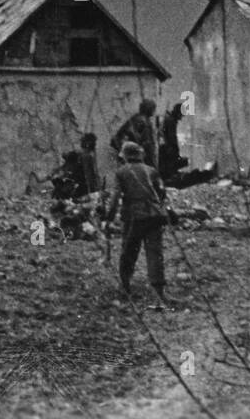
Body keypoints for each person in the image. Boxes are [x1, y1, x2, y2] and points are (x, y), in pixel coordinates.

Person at [102, 141, 169, 305]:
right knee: (155, 253)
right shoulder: (152, 171)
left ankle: (125, 288)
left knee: (128, 252)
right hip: (154, 215)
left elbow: (115, 198)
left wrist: (109, 217)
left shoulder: (121, 172)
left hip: (134, 217)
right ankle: (158, 292)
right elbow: (162, 193)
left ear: (124, 156)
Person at [112, 99, 159, 169]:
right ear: (149, 109)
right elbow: (146, 142)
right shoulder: (144, 122)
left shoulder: (135, 118)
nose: (154, 111)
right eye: (153, 109)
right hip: (139, 156)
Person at [53, 132, 100, 200]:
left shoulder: (77, 153)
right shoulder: (87, 156)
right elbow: (89, 175)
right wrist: (94, 189)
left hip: (69, 187)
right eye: (94, 142)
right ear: (89, 144)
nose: (95, 145)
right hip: (79, 189)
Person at [159, 103, 184, 177]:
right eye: (181, 115)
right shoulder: (171, 121)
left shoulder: (168, 118)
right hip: (168, 148)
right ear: (178, 113)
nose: (181, 118)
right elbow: (172, 138)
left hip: (165, 147)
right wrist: (176, 150)